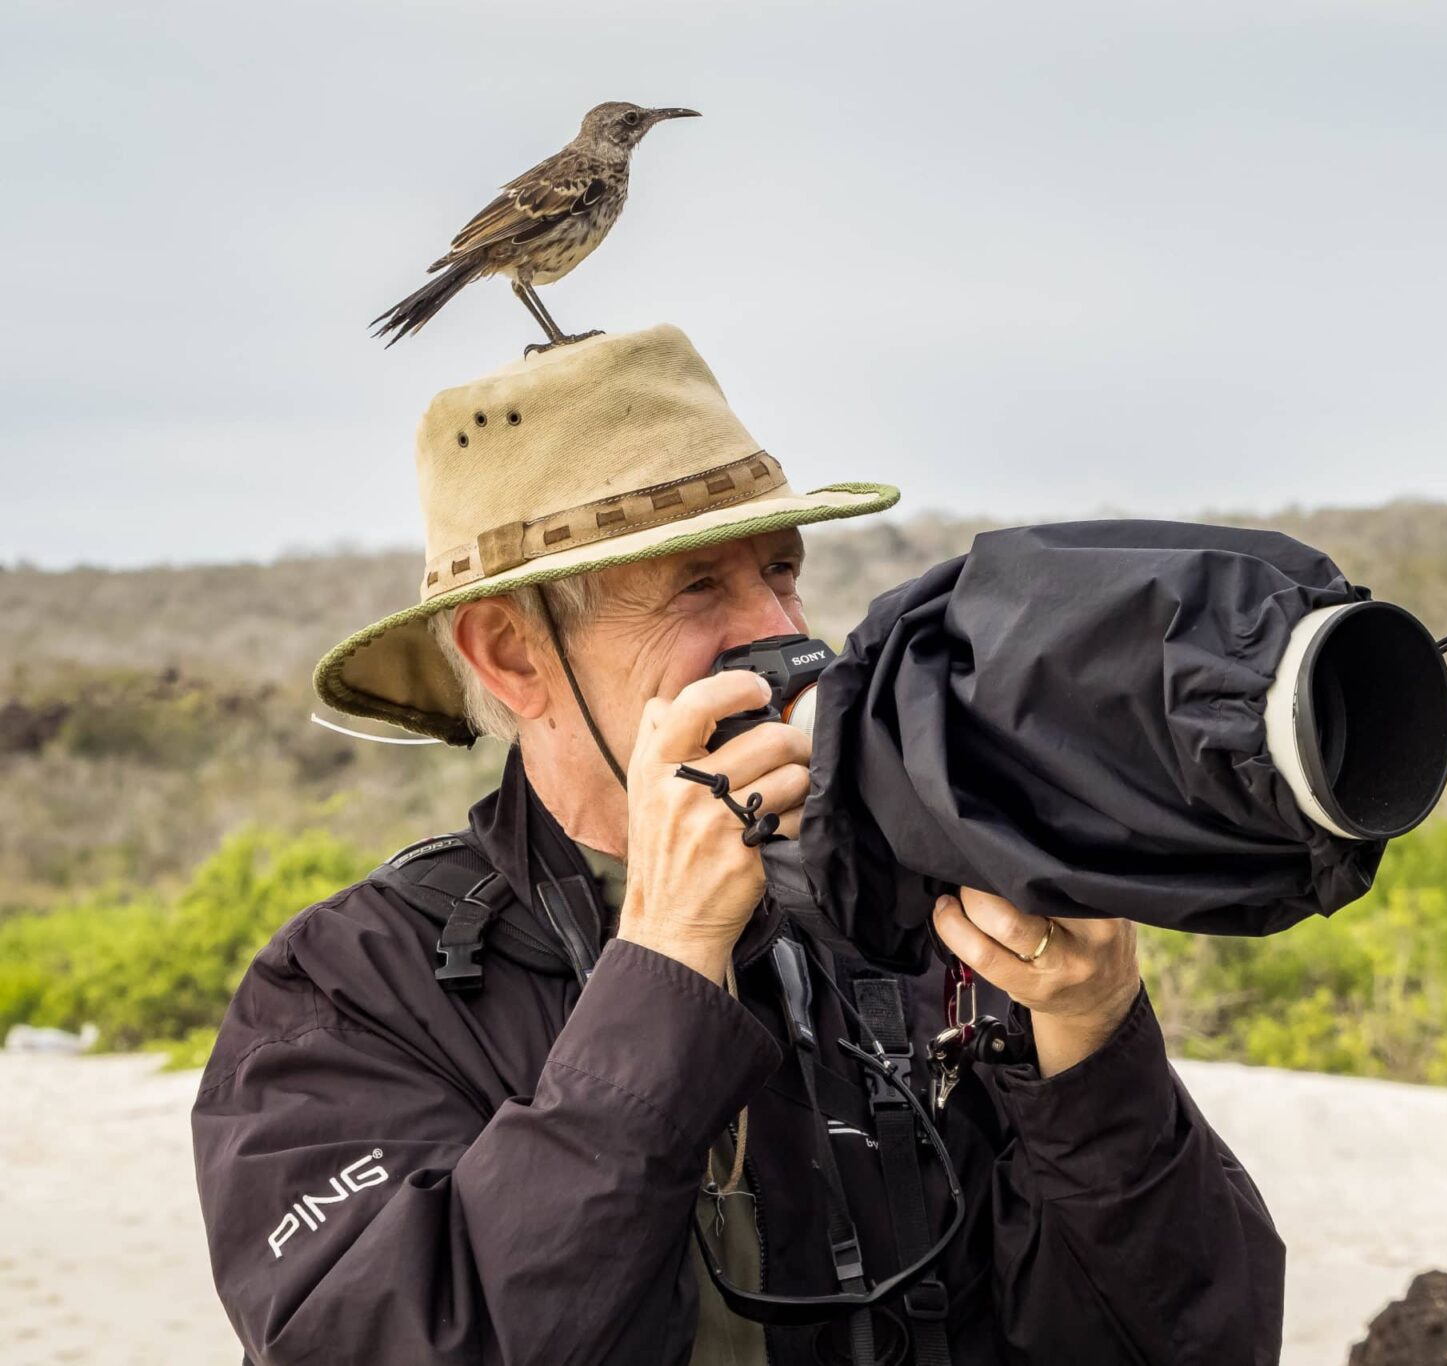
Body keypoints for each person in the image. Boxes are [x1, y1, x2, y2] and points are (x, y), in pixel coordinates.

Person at [191, 324, 1284, 1365]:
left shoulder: (894, 913)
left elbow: (1198, 1339)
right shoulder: (344, 992)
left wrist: (1093, 1055)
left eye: (780, 571)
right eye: (696, 586)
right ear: (512, 655)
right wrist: (662, 968)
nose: (777, 627)